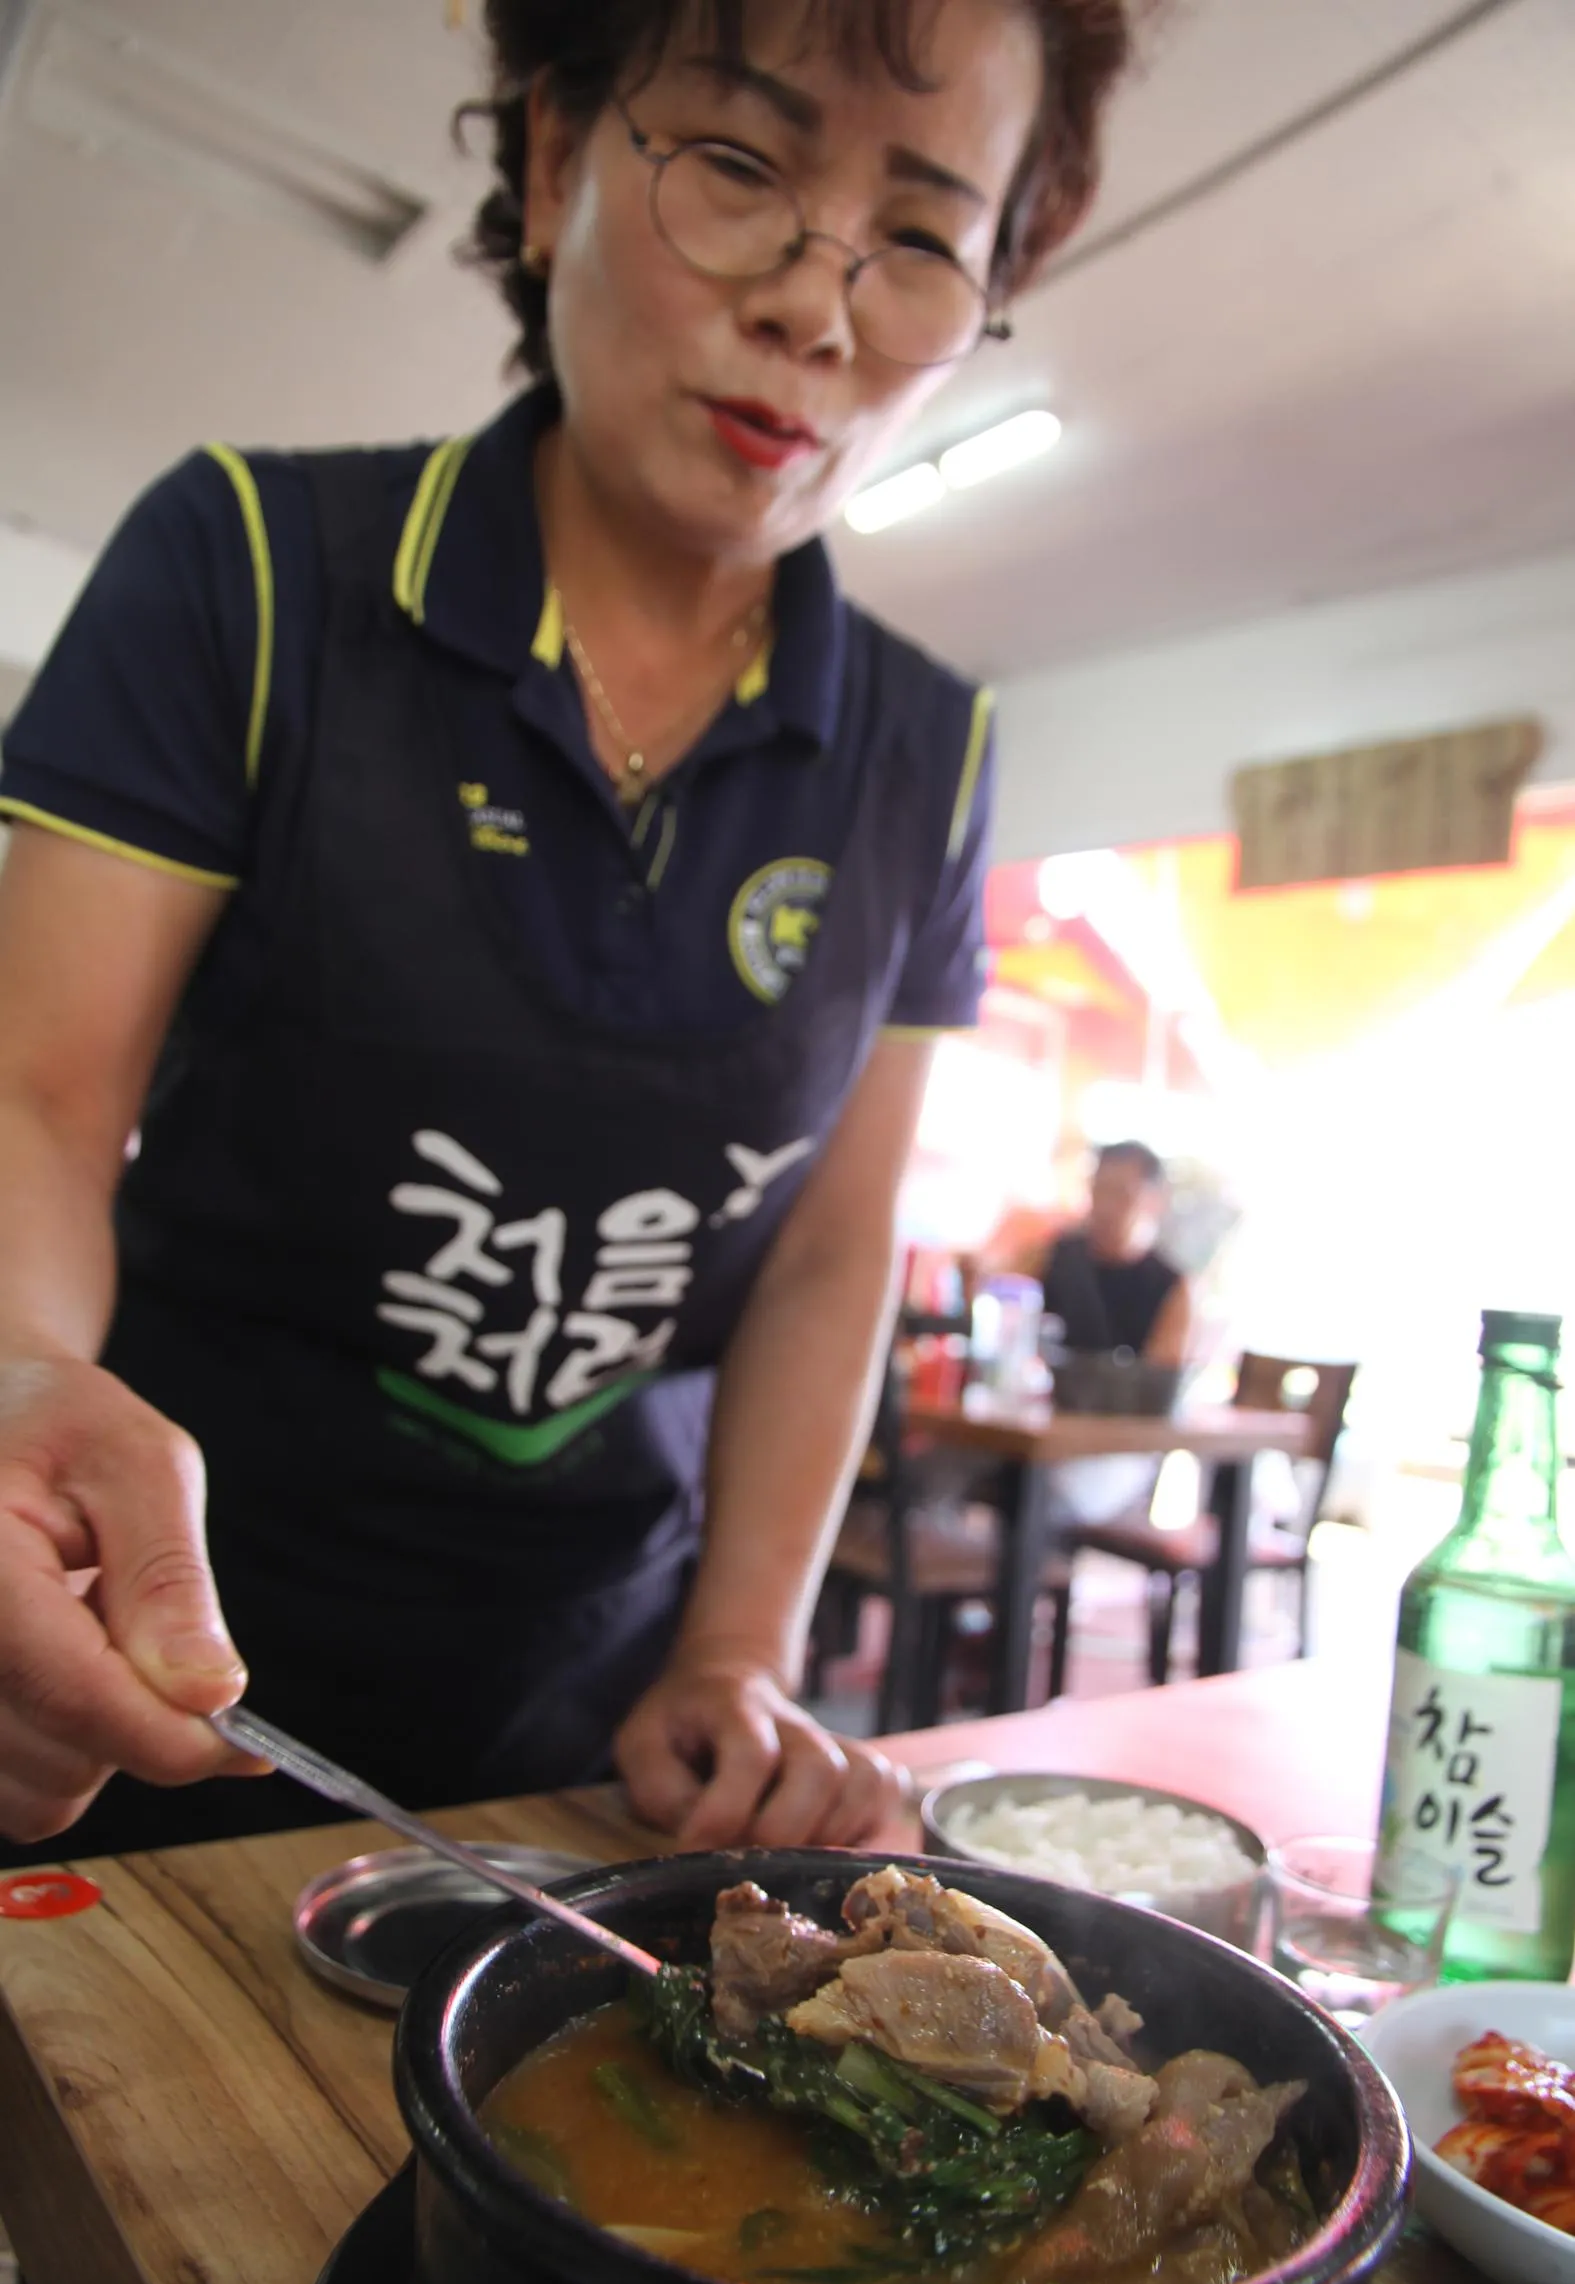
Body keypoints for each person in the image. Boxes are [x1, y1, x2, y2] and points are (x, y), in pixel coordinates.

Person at [0, 0, 1138, 1867]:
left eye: (924, 239)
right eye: (743, 166)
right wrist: (22, 1380)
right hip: (168, 1655)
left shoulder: (932, 758)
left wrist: (744, 1654)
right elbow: (39, 1098)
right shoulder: (252, 573)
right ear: (550, 162)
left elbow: (832, 1247)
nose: (814, 308)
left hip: (605, 1729)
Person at [1042, 1139, 1193, 1365]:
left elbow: (1158, 1380)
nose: (1105, 1207)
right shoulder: (1054, 1254)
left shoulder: (1171, 1287)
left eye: (1120, 1193)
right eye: (1099, 1189)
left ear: (1154, 1200)